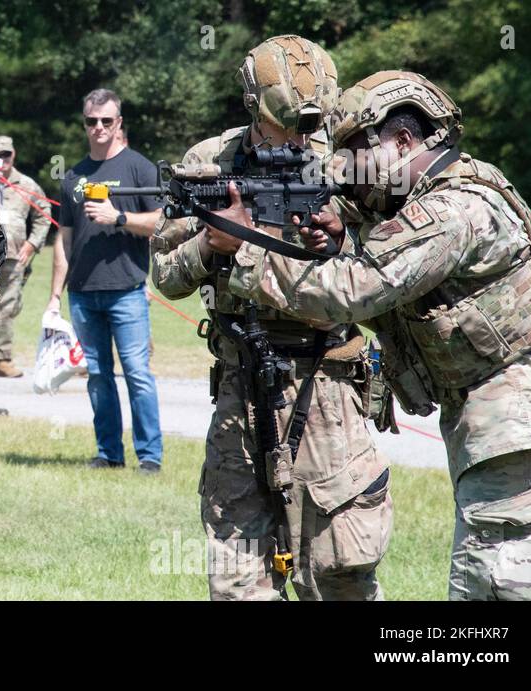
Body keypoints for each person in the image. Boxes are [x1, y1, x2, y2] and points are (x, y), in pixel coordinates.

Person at [225, 70, 531, 600]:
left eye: (356, 153)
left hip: (521, 437)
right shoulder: (449, 196)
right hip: (515, 435)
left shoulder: (455, 208)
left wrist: (241, 247)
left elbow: (354, 289)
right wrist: (344, 237)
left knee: (492, 596)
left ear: (402, 142)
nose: (345, 172)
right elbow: (388, 265)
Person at [151, 36, 391, 601]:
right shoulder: (210, 163)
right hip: (241, 386)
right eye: (289, 122)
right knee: (236, 575)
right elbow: (166, 275)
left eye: (312, 122)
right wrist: (211, 246)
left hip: (327, 385)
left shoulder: (350, 163)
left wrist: (340, 237)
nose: (302, 136)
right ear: (254, 107)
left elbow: (389, 266)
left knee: (335, 573)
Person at [44, 89, 164, 472]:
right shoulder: (73, 177)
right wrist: (54, 297)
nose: (98, 128)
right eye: (91, 121)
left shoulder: (139, 168)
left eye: (106, 121)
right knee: (98, 377)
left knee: (138, 375)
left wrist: (121, 218)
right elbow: (63, 241)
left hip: (127, 291)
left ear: (119, 124)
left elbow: (164, 224)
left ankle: (149, 457)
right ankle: (109, 454)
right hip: (82, 295)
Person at [0, 135, 52, 378]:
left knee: (6, 306)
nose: (2, 159)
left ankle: (1, 359)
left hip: (13, 257)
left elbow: (44, 214)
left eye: (6, 154)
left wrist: (32, 244)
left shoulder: (27, 185)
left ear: (14, 155)